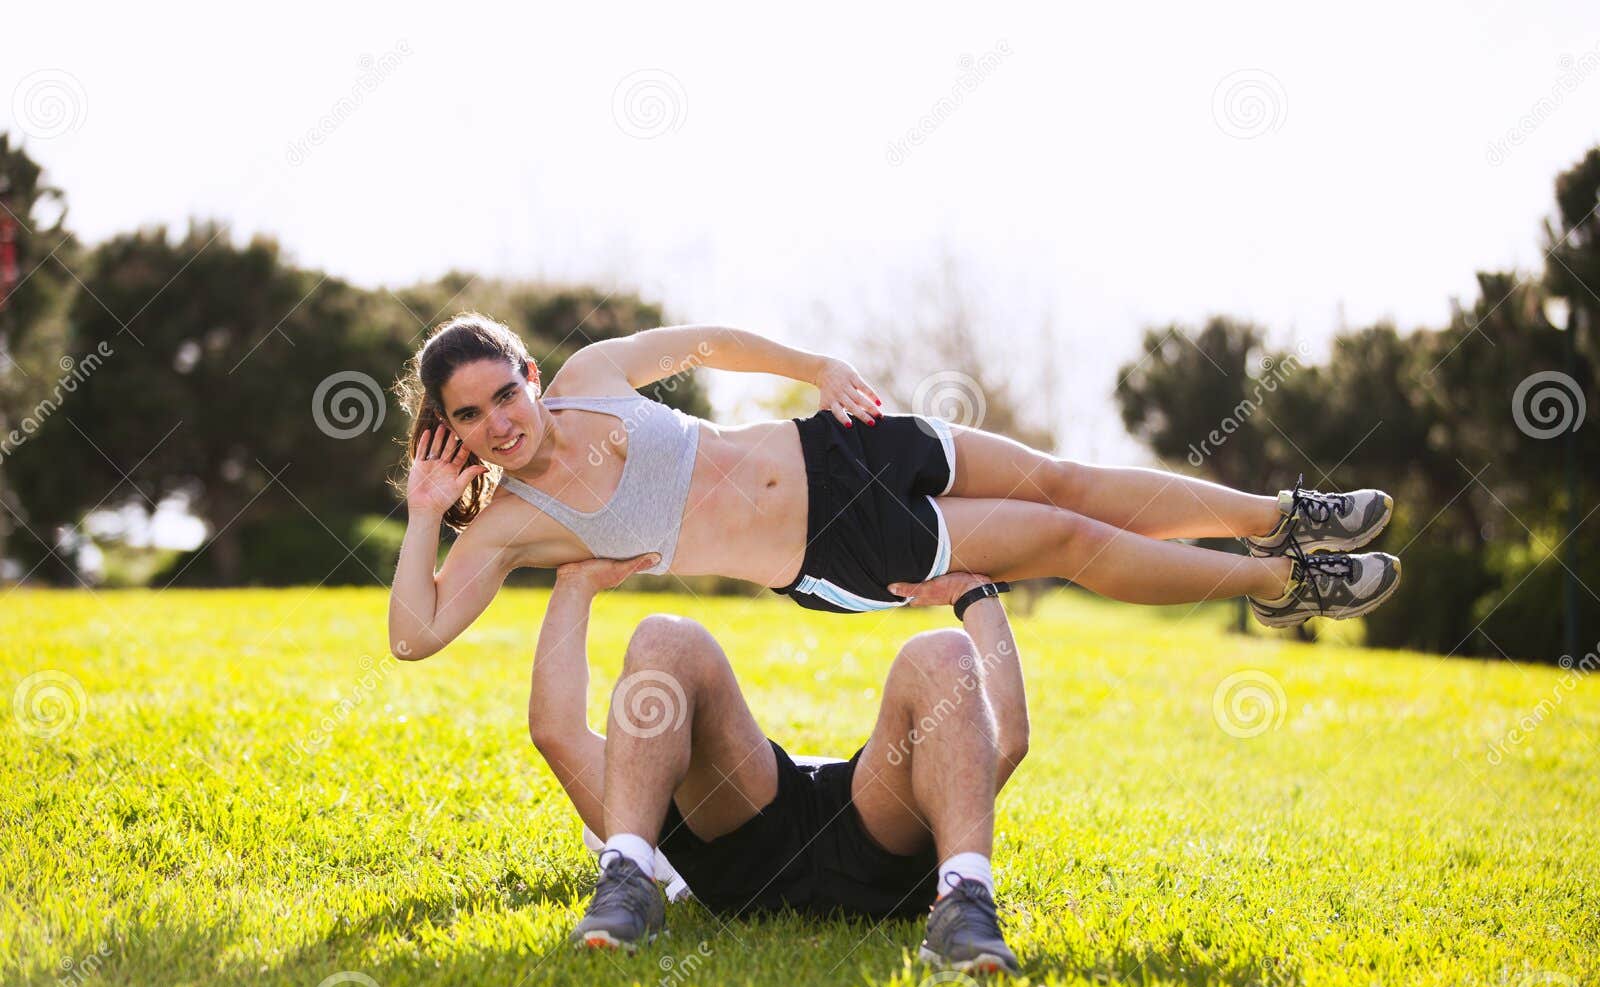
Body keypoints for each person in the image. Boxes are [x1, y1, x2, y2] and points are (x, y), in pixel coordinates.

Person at [389, 314, 1400, 659]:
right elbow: (415, 635)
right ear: (453, 431)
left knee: (1063, 476)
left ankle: (1282, 515)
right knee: (1064, 540)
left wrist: (820, 367)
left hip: (840, 444)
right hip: (837, 549)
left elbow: (704, 341)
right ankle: (1277, 584)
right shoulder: (518, 525)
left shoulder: (591, 376)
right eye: (469, 416)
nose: (499, 422)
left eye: (501, 391)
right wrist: (429, 516)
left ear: (527, 372)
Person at [526, 553, 1031, 974]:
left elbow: (1002, 739)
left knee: (943, 652)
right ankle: (626, 881)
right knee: (665, 637)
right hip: (740, 843)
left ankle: (965, 898)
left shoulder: (641, 792)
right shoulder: (640, 800)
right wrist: (576, 582)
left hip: (873, 829)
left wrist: (973, 594)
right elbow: (557, 732)